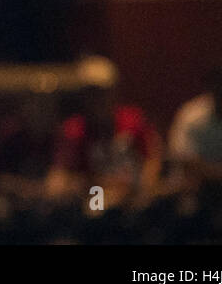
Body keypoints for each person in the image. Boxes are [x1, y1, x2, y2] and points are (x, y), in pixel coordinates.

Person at [46, 57, 162, 206]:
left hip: (134, 200)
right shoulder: (74, 130)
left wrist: (143, 190)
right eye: (91, 93)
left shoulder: (133, 120)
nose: (96, 99)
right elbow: (61, 174)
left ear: (113, 91)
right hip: (94, 199)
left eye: (101, 92)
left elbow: (152, 157)